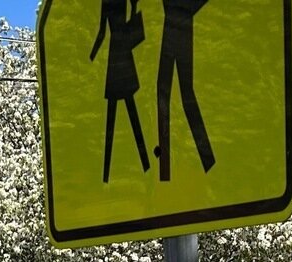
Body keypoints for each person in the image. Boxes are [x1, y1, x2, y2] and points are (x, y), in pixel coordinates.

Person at [155, 0, 215, 182]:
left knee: (184, 93)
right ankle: (165, 167)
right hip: (171, 26)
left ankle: (207, 161)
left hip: (180, 29)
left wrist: (184, 13)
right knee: (164, 91)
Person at [92, 0, 150, 183]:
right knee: (128, 112)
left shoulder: (107, 3)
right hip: (123, 52)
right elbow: (128, 24)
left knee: (117, 115)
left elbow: (102, 33)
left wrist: (91, 57)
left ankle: (107, 174)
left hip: (116, 55)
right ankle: (145, 165)